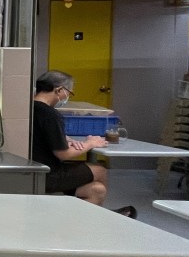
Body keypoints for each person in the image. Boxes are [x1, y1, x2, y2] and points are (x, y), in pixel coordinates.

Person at [32, 70, 136, 218]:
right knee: (100, 170)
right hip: (48, 175)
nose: (67, 97)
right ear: (59, 90)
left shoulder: (29, 108)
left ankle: (94, 216)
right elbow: (63, 154)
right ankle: (103, 218)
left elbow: (41, 133)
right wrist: (90, 143)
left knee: (97, 190)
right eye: (69, 93)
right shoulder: (50, 114)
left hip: (36, 170)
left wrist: (65, 138)